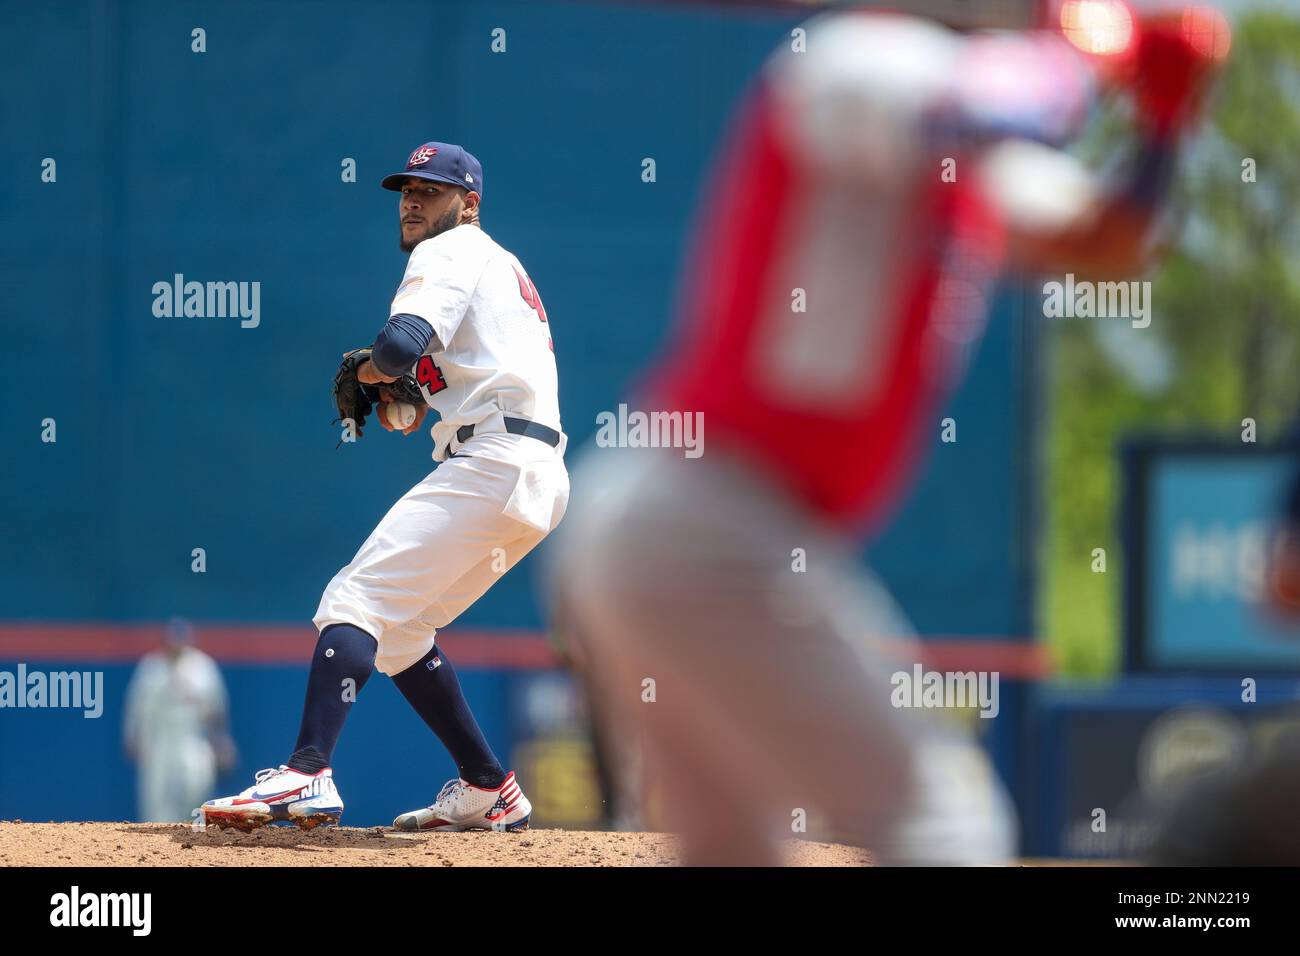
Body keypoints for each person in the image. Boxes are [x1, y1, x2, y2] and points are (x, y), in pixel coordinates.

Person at [551, 2, 1229, 864]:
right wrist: (1102, 46)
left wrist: (1165, 124)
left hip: (688, 531)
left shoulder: (965, 152)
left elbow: (1110, 243)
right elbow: (996, 106)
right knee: (942, 819)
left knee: (731, 848)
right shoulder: (860, 58)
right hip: (705, 523)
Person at [202, 141, 569, 832]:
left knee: (355, 597)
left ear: (468, 204)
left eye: (430, 190)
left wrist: (375, 370)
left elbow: (399, 348)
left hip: (496, 459)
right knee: (402, 633)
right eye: (407, 188)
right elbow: (458, 367)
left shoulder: (450, 251)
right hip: (533, 472)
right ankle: (491, 786)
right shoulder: (501, 263)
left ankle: (308, 771)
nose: (412, 198)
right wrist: (416, 393)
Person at [124, 619, 234, 823]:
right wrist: (132, 736)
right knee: (156, 798)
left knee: (196, 791)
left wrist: (221, 741)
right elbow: (135, 708)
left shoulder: (202, 666)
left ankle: (193, 843)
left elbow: (217, 709)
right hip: (158, 741)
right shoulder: (151, 667)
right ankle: (154, 843)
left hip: (193, 739)